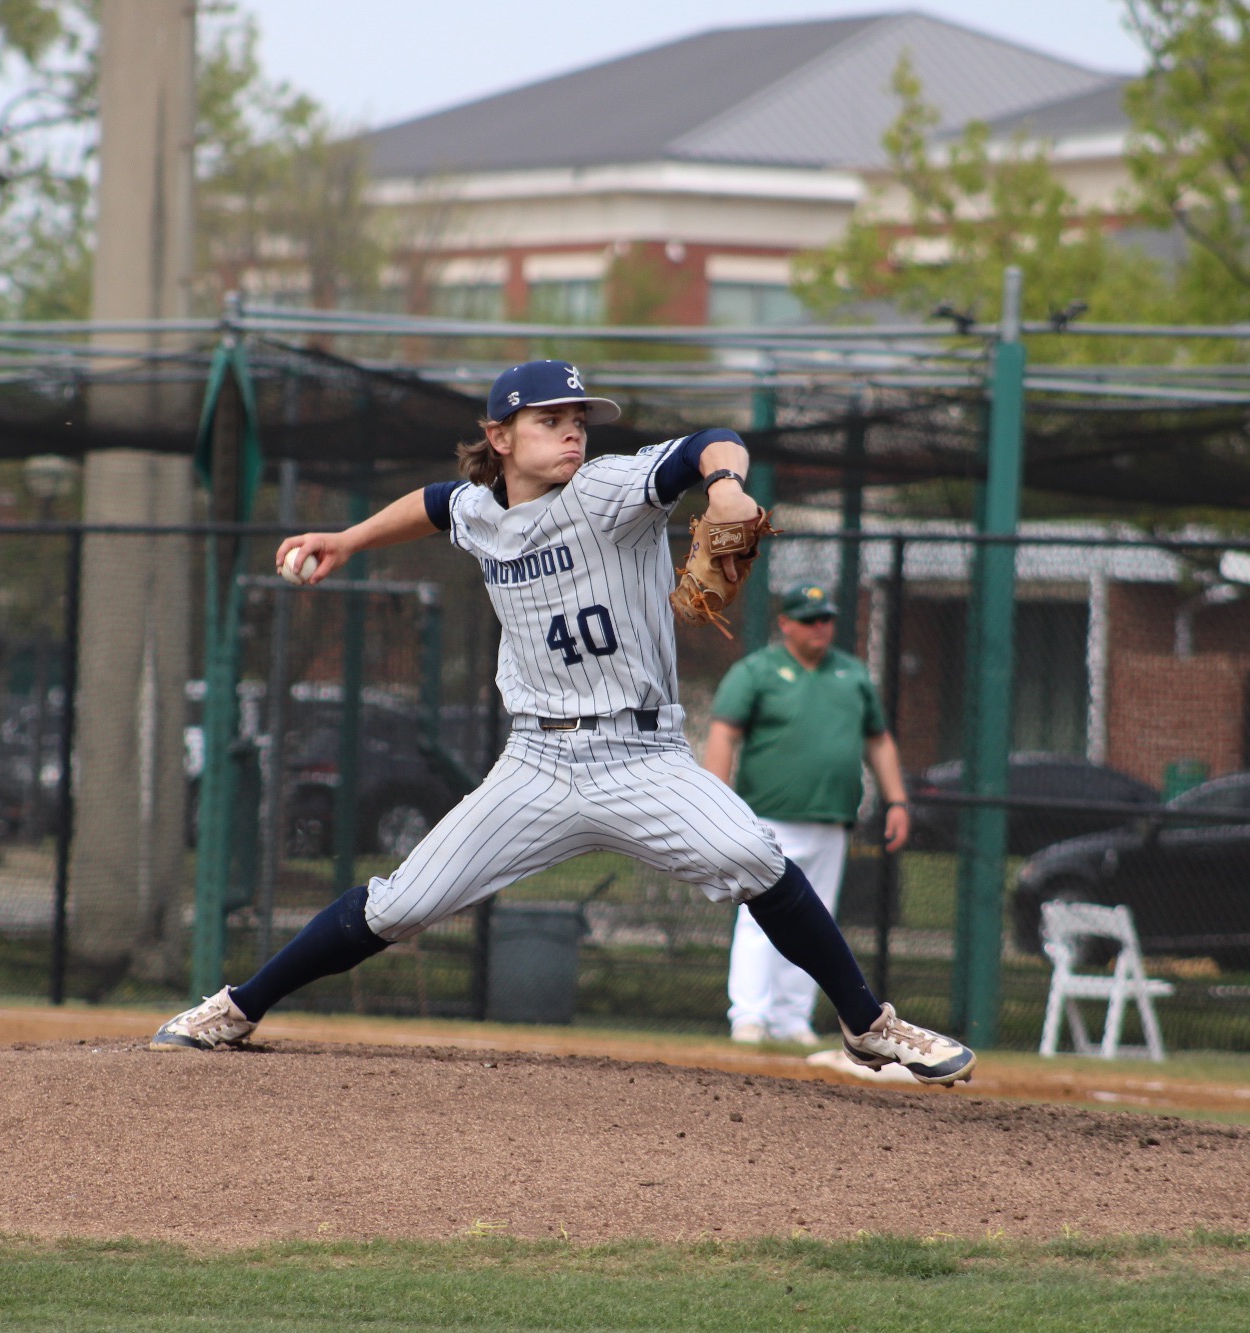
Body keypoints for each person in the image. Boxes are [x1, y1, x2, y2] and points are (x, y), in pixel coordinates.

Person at [148, 360, 973, 1086]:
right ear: (499, 435)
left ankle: (868, 1025)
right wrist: (348, 539)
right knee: (401, 905)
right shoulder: (481, 510)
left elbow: (708, 441)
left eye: (578, 420)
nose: (572, 434)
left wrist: (724, 483)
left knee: (753, 853)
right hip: (536, 763)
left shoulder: (608, 491)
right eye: (551, 421)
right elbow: (437, 504)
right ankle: (237, 1006)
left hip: (641, 755)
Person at [704, 582, 911, 1049]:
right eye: (809, 619)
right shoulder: (757, 670)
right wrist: (713, 804)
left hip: (831, 819)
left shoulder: (852, 674)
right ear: (785, 624)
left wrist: (896, 800)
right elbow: (723, 733)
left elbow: (878, 740)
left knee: (819, 921)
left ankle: (791, 1018)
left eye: (827, 618)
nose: (821, 627)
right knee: (761, 918)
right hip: (768, 820)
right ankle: (750, 1016)